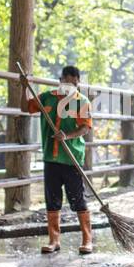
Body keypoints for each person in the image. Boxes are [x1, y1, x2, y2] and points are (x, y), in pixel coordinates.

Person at [25, 65, 94, 254]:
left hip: (71, 159)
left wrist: (67, 136)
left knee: (78, 199)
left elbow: (85, 128)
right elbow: (27, 106)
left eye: (73, 82)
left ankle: (87, 240)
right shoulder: (47, 97)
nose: (69, 84)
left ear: (77, 82)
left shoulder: (82, 102)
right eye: (66, 80)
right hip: (51, 158)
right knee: (52, 199)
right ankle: (54, 240)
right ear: (61, 80)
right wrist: (24, 86)